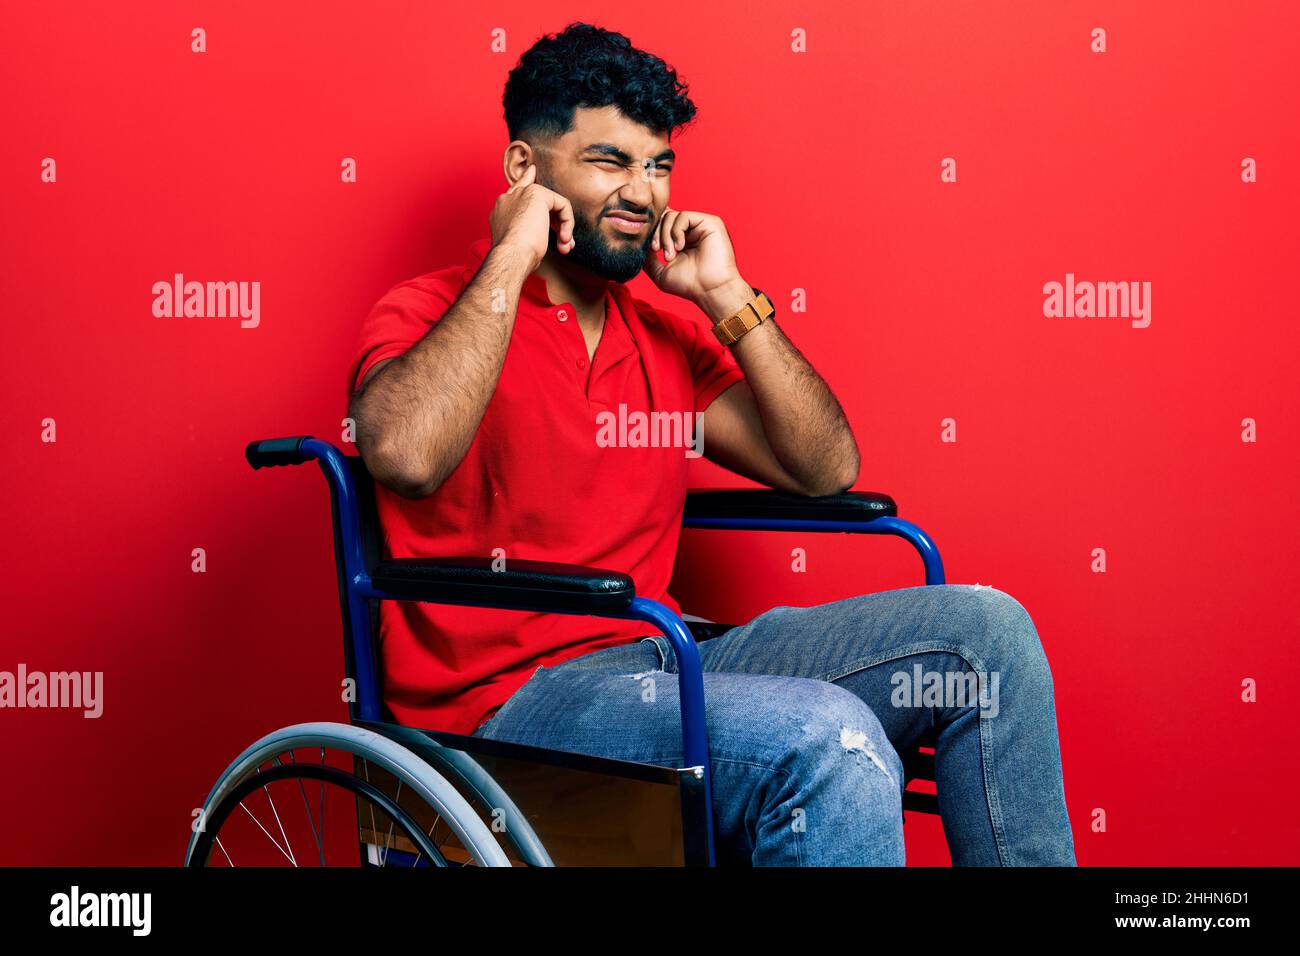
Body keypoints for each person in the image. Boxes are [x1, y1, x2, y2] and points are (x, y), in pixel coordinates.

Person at [345, 21, 1075, 866]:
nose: (643, 193)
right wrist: (513, 255)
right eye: (610, 161)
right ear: (524, 169)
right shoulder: (427, 310)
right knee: (826, 739)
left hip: (666, 656)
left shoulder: (664, 337)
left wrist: (729, 296)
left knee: (987, 636)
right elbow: (402, 452)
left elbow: (825, 467)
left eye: (657, 167)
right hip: (512, 704)